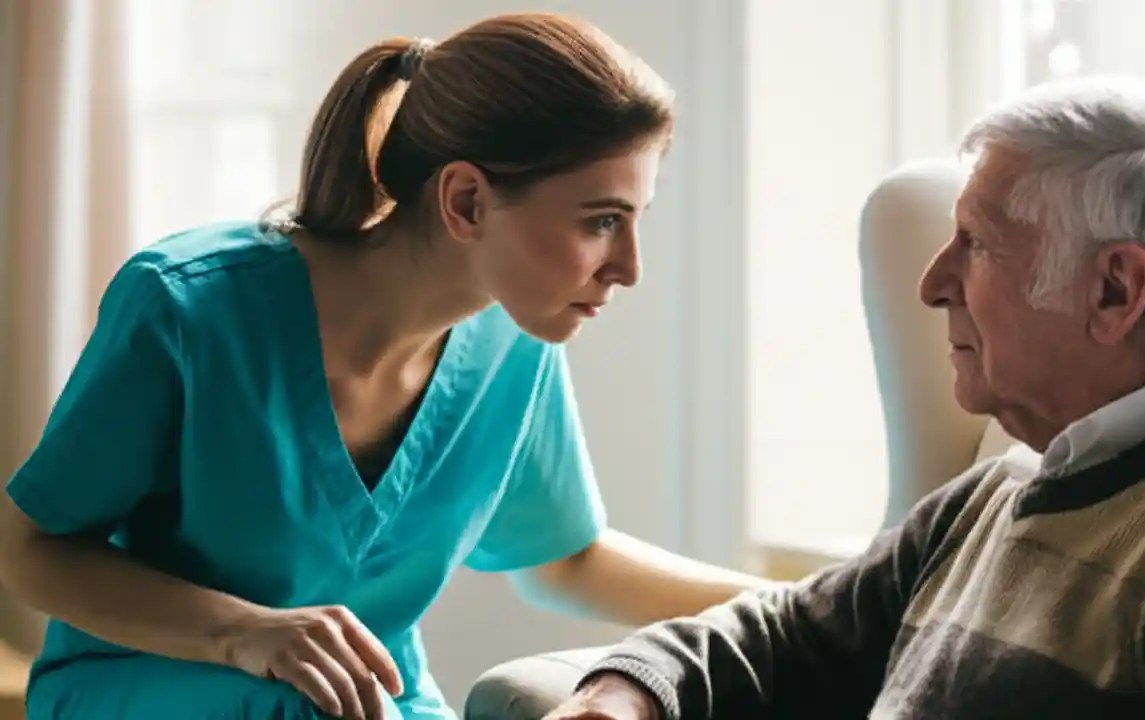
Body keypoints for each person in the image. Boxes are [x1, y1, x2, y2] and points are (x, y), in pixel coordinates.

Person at [0, 13, 767, 720]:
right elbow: (29, 552)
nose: (629, 268)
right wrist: (244, 634)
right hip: (142, 683)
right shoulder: (189, 309)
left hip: (367, 704)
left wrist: (818, 610)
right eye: (602, 221)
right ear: (466, 201)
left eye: (635, 221)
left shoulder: (516, 343)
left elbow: (565, 558)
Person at [545, 81, 1145, 719]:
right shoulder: (1008, 485)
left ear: (1115, 289)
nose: (932, 283)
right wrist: (625, 692)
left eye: (977, 243)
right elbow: (787, 632)